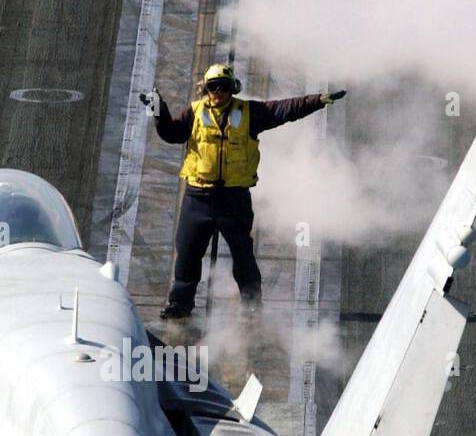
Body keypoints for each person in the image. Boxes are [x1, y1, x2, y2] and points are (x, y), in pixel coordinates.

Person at [141, 63, 345, 319]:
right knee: (187, 254)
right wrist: (157, 109)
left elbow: (286, 109)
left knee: (243, 255)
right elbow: (170, 133)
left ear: (233, 88)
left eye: (224, 87)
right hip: (197, 198)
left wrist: (319, 100)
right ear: (205, 89)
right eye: (213, 87)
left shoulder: (250, 113)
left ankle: (251, 304)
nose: (219, 92)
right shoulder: (193, 113)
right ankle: (180, 305)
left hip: (233, 200)